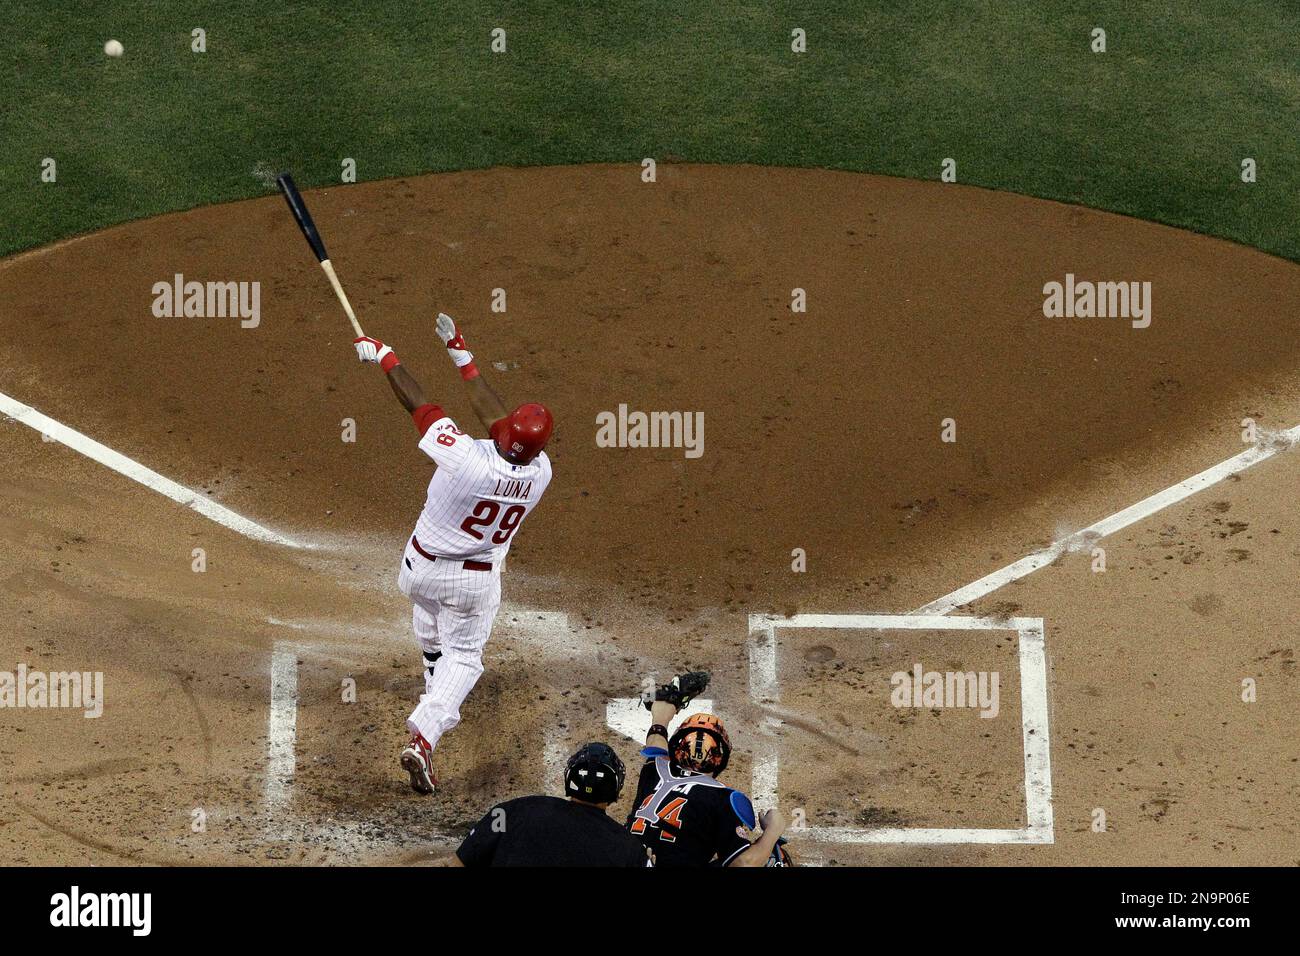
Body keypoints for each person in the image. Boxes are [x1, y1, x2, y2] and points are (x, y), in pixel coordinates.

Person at [353, 313, 554, 795]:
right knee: (466, 656)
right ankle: (423, 737)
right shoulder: (541, 471)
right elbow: (498, 421)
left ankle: (431, 668)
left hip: (418, 569)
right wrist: (461, 355)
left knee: (431, 621)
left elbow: (419, 406)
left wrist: (385, 357)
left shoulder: (464, 457)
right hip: (473, 580)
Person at [628, 671, 792, 866]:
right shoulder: (725, 799)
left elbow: (657, 735)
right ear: (720, 758)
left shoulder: (654, 769)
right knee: (770, 858)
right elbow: (744, 864)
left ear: (677, 748)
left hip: (627, 860)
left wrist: (664, 708)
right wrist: (773, 830)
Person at [450, 743, 652, 867]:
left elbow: (459, 863)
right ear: (615, 790)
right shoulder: (629, 848)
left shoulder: (510, 812)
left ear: (569, 779)